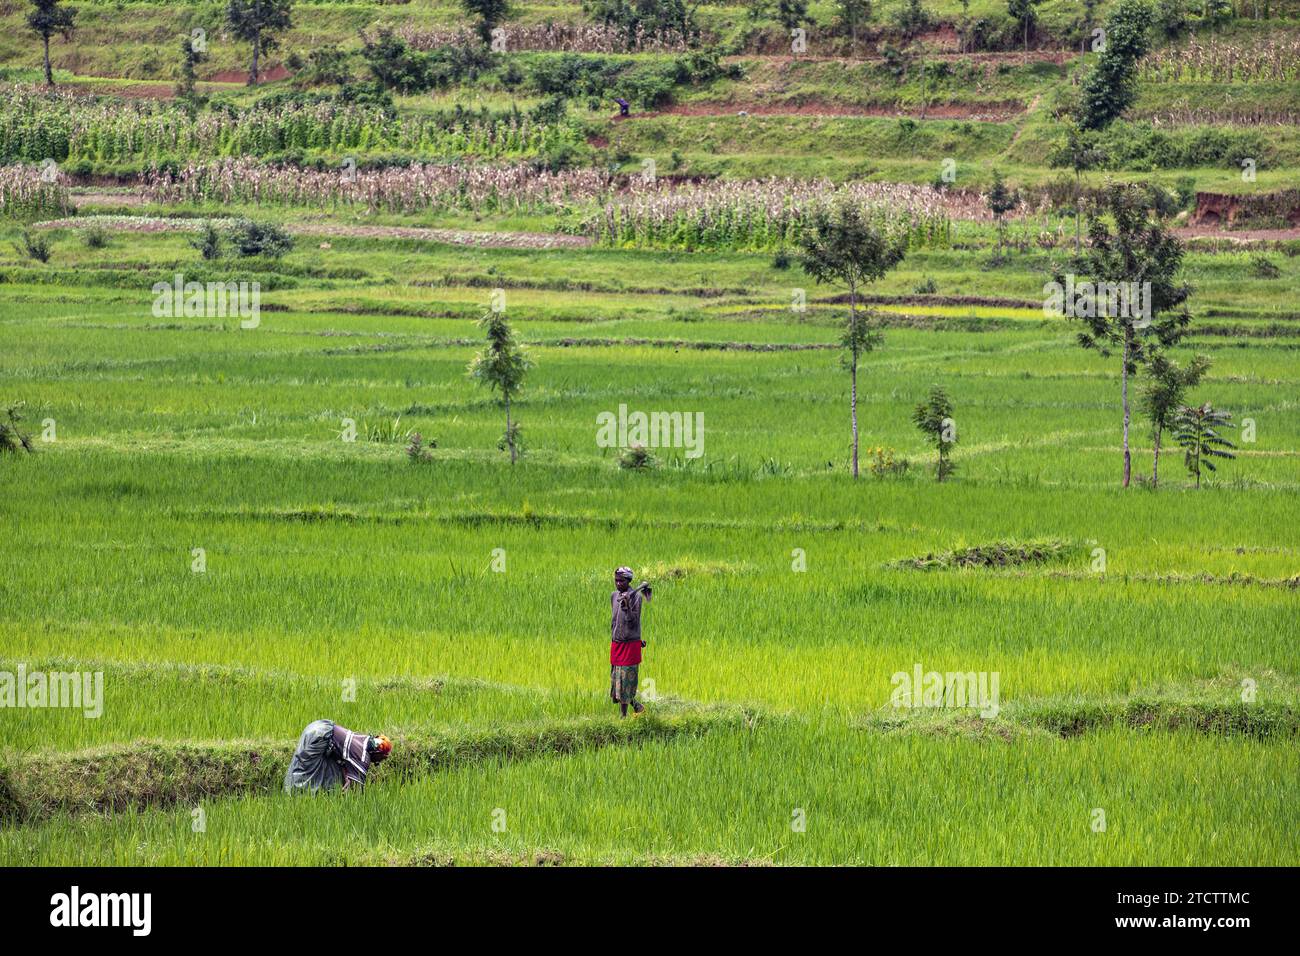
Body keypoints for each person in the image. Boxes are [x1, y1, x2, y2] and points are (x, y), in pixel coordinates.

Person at [283, 719, 391, 794]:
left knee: (331, 771)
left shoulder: (362, 738)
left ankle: (300, 794)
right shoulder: (363, 757)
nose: (377, 762)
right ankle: (293, 795)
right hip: (319, 737)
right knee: (305, 773)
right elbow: (356, 791)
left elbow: (345, 761)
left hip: (318, 726)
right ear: (377, 753)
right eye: (380, 759)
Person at [609, 566, 651, 717]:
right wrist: (613, 637)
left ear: (628, 581)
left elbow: (633, 622)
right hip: (617, 643)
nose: (618, 583)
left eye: (621, 581)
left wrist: (626, 607)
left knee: (626, 680)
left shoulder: (636, 598)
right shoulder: (614, 596)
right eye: (616, 580)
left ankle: (623, 715)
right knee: (617, 681)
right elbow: (614, 621)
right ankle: (637, 706)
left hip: (629, 645)